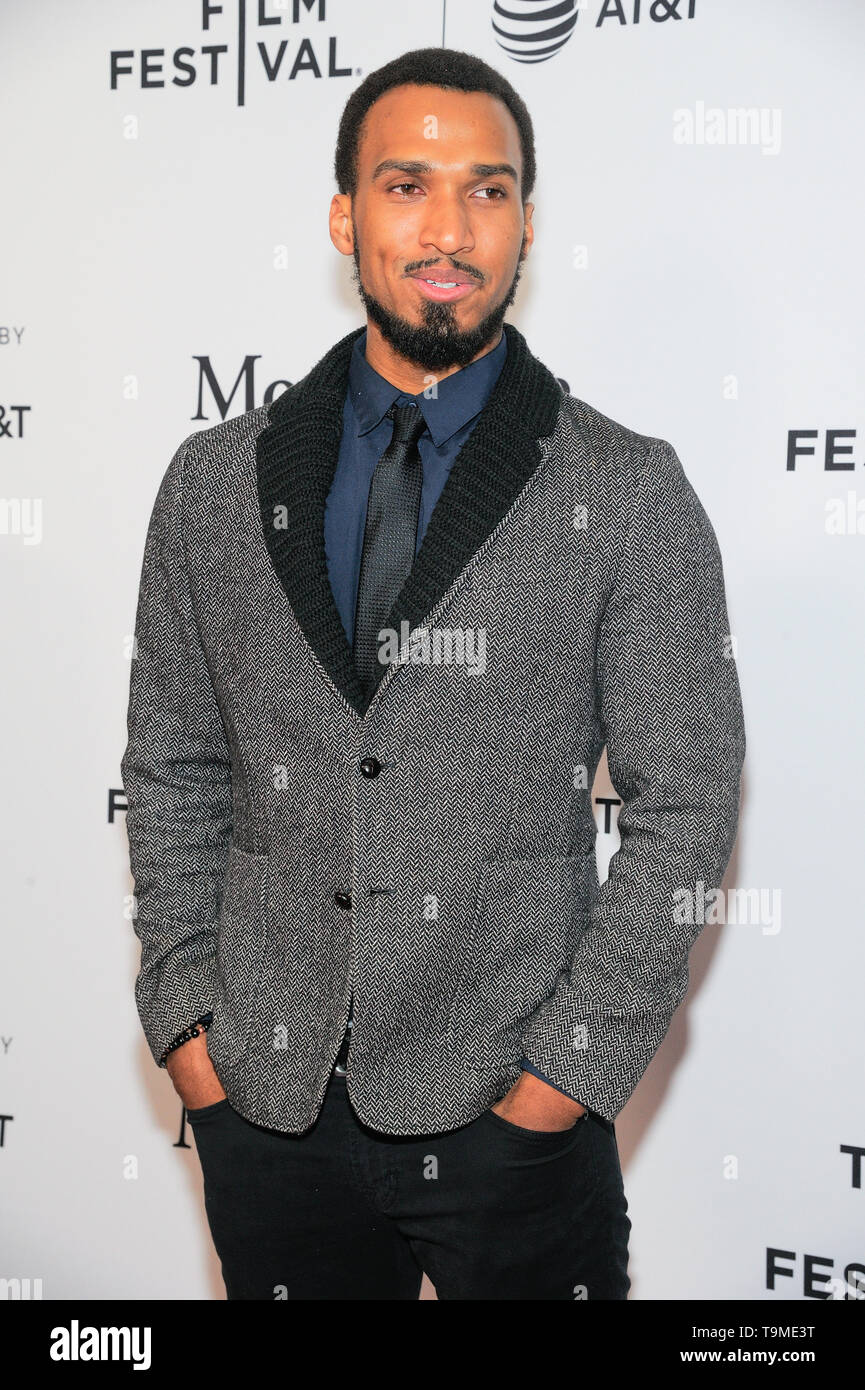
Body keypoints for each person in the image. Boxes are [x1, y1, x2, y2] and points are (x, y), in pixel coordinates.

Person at [120, 46, 746, 1301]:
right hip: (269, 1105)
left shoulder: (626, 490)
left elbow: (687, 804)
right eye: (406, 186)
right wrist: (191, 1032)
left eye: (487, 190)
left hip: (515, 1120)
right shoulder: (213, 482)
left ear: (526, 223)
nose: (449, 229)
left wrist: (563, 1080)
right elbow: (174, 765)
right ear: (344, 216)